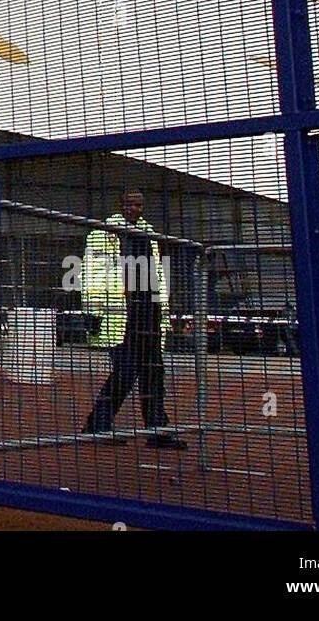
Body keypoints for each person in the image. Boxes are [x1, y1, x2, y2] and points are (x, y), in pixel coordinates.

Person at [81, 188, 185, 449]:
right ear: (121, 204)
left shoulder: (148, 236)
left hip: (148, 313)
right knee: (126, 372)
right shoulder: (103, 234)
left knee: (153, 373)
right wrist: (92, 311)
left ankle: (157, 429)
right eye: (130, 204)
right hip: (120, 315)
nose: (135, 209)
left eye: (139, 204)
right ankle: (98, 425)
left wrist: (164, 313)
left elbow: (158, 275)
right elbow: (93, 274)